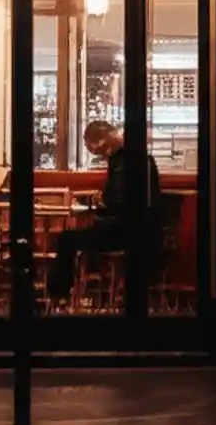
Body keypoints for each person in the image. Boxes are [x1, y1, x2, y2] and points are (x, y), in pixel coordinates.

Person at [47, 120, 160, 309]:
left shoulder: (122, 160)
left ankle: (59, 297)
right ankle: (83, 294)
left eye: (97, 150)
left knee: (66, 240)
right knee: (76, 239)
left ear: (102, 142)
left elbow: (116, 200)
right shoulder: (144, 158)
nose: (102, 154)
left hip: (120, 232)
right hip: (145, 232)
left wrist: (100, 201)